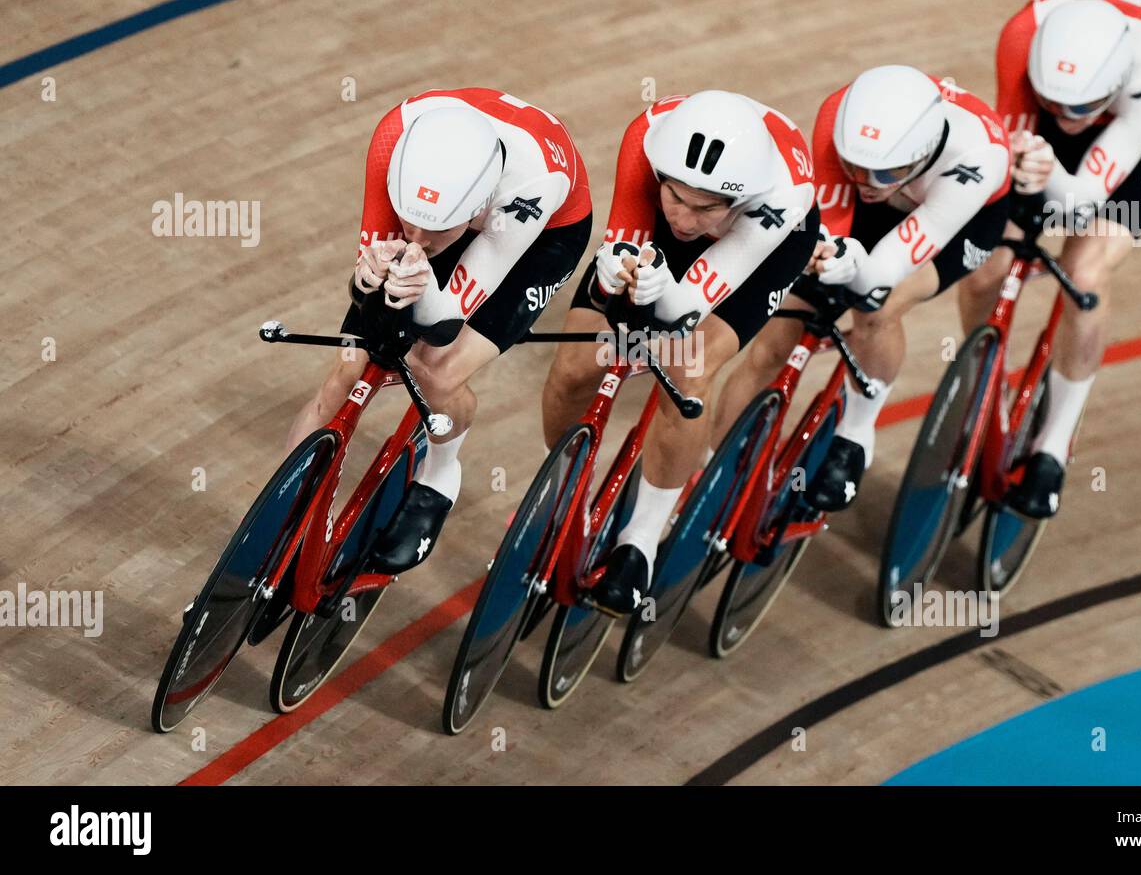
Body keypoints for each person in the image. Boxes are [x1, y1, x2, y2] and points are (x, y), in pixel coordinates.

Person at [286, 87, 591, 573]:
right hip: (444, 202)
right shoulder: (395, 138)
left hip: (539, 235)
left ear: (475, 211)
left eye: (437, 233)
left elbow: (444, 323)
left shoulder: (532, 188)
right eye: (410, 223)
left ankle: (440, 476)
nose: (418, 241)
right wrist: (371, 276)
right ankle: (284, 517)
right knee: (349, 365)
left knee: (437, 370)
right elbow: (369, 283)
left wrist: (423, 286)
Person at [541, 90, 818, 613]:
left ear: (735, 198)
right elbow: (622, 243)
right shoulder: (646, 138)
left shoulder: (783, 195)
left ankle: (641, 541)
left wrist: (659, 302)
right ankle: (561, 492)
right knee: (575, 365)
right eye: (676, 197)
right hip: (672, 233)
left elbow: (685, 307)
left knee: (686, 370)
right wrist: (616, 270)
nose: (686, 219)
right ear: (662, 174)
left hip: (757, 249)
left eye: (704, 206)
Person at [718, 65, 1012, 512]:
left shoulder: (977, 157)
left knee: (878, 306)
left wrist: (856, 272)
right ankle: (715, 475)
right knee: (774, 341)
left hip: (958, 219)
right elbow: (828, 230)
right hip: (872, 210)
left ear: (925, 152)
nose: (865, 178)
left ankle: (856, 433)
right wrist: (827, 257)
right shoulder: (839, 116)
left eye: (885, 170)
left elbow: (884, 268)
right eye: (854, 165)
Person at [957, 0, 1141, 517]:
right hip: (1042, 113)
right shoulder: (1022, 39)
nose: (1067, 116)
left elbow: (1081, 199)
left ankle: (1052, 448)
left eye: (1080, 107)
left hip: (1132, 138)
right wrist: (1028, 159)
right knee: (984, 270)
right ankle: (981, 395)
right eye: (1056, 102)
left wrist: (1050, 175)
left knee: (1084, 275)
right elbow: (1012, 151)